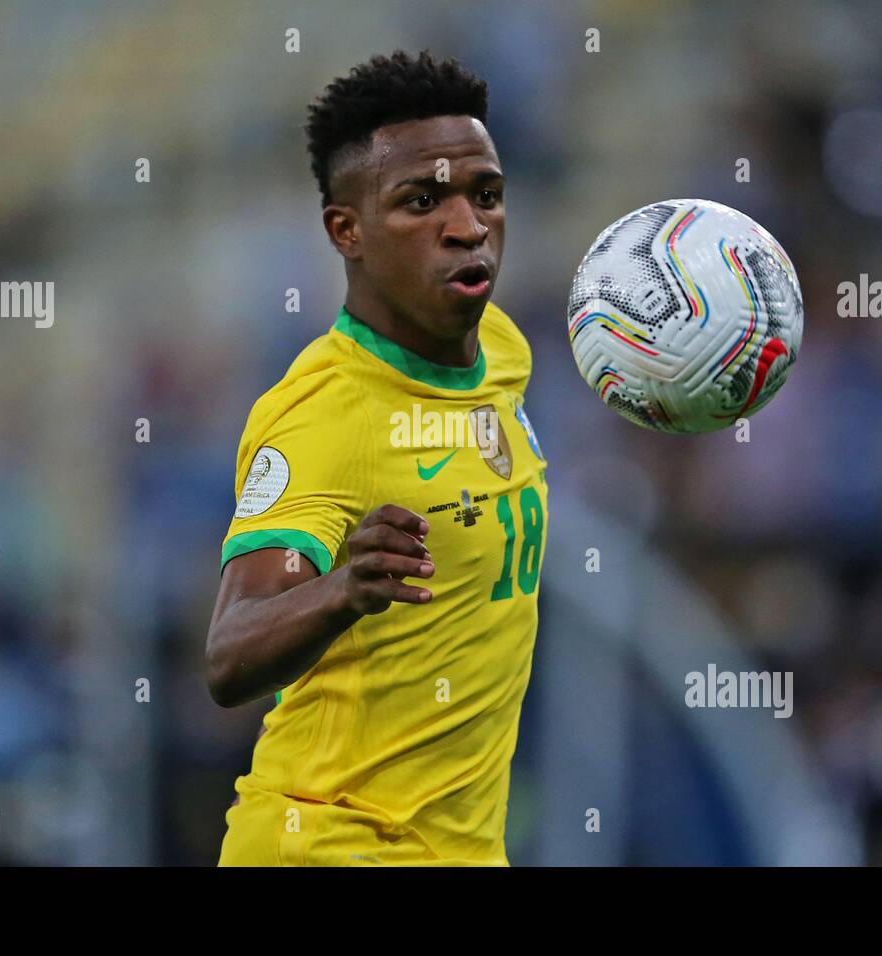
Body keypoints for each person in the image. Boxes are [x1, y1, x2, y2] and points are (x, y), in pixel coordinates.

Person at [206, 49, 548, 866]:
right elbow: (228, 654)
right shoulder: (323, 415)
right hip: (328, 844)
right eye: (420, 202)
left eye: (486, 195)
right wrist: (339, 592)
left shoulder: (498, 348)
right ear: (346, 230)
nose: (467, 226)